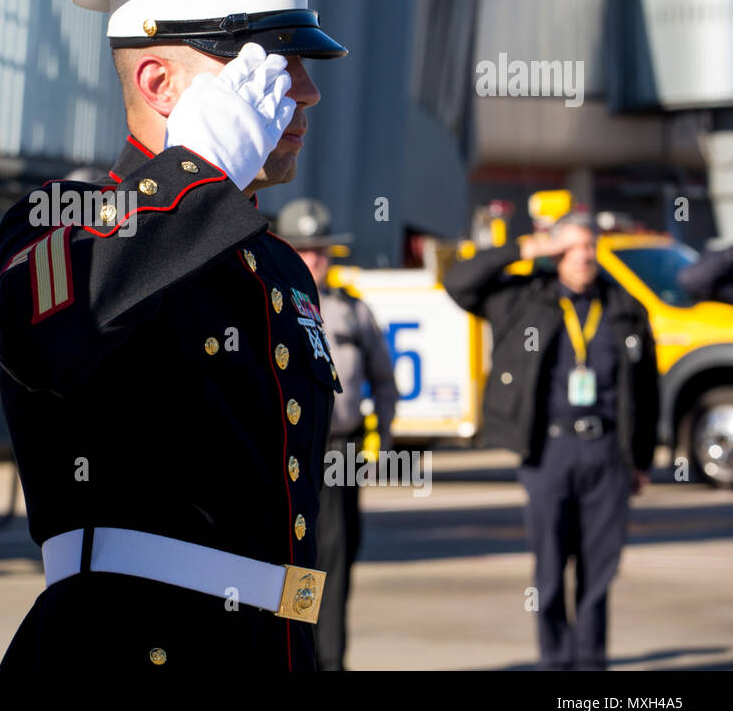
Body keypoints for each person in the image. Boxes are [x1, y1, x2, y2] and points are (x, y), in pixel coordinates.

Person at [0, 0, 349, 670]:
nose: (306, 92)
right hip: (132, 646)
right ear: (159, 82)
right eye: (271, 68)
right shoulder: (65, 220)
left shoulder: (276, 265)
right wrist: (194, 169)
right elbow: (52, 338)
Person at [443, 210, 658, 670]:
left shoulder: (623, 307)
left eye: (590, 248)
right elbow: (459, 282)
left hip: (606, 453)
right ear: (553, 252)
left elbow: (646, 391)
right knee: (549, 569)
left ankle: (591, 660)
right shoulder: (524, 300)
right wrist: (522, 249)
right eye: (572, 248)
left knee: (600, 571)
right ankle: (556, 661)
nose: (583, 257)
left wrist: (640, 460)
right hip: (548, 451)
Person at [276, 198, 397, 671]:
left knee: (336, 561)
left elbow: (384, 381)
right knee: (292, 564)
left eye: (320, 250)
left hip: (339, 452)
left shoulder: (353, 310)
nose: (313, 260)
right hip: (287, 453)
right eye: (303, 250)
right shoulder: (273, 303)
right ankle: (293, 657)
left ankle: (330, 662)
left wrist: (381, 441)